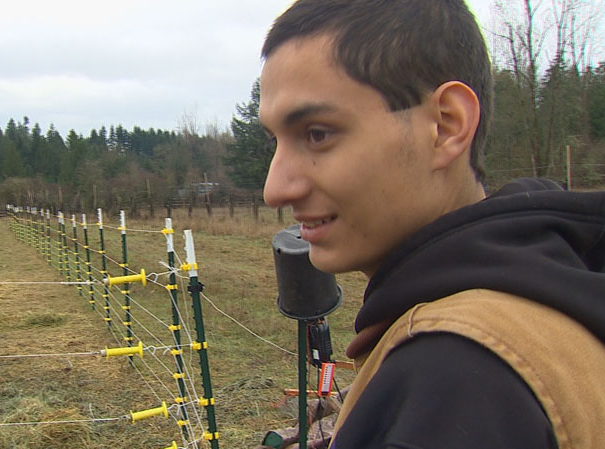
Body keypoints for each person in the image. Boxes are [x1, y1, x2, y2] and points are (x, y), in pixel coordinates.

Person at [259, 1, 605, 448]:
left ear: (446, 125)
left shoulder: (453, 378)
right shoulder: (550, 291)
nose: (275, 189)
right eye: (275, 140)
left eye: (317, 134)